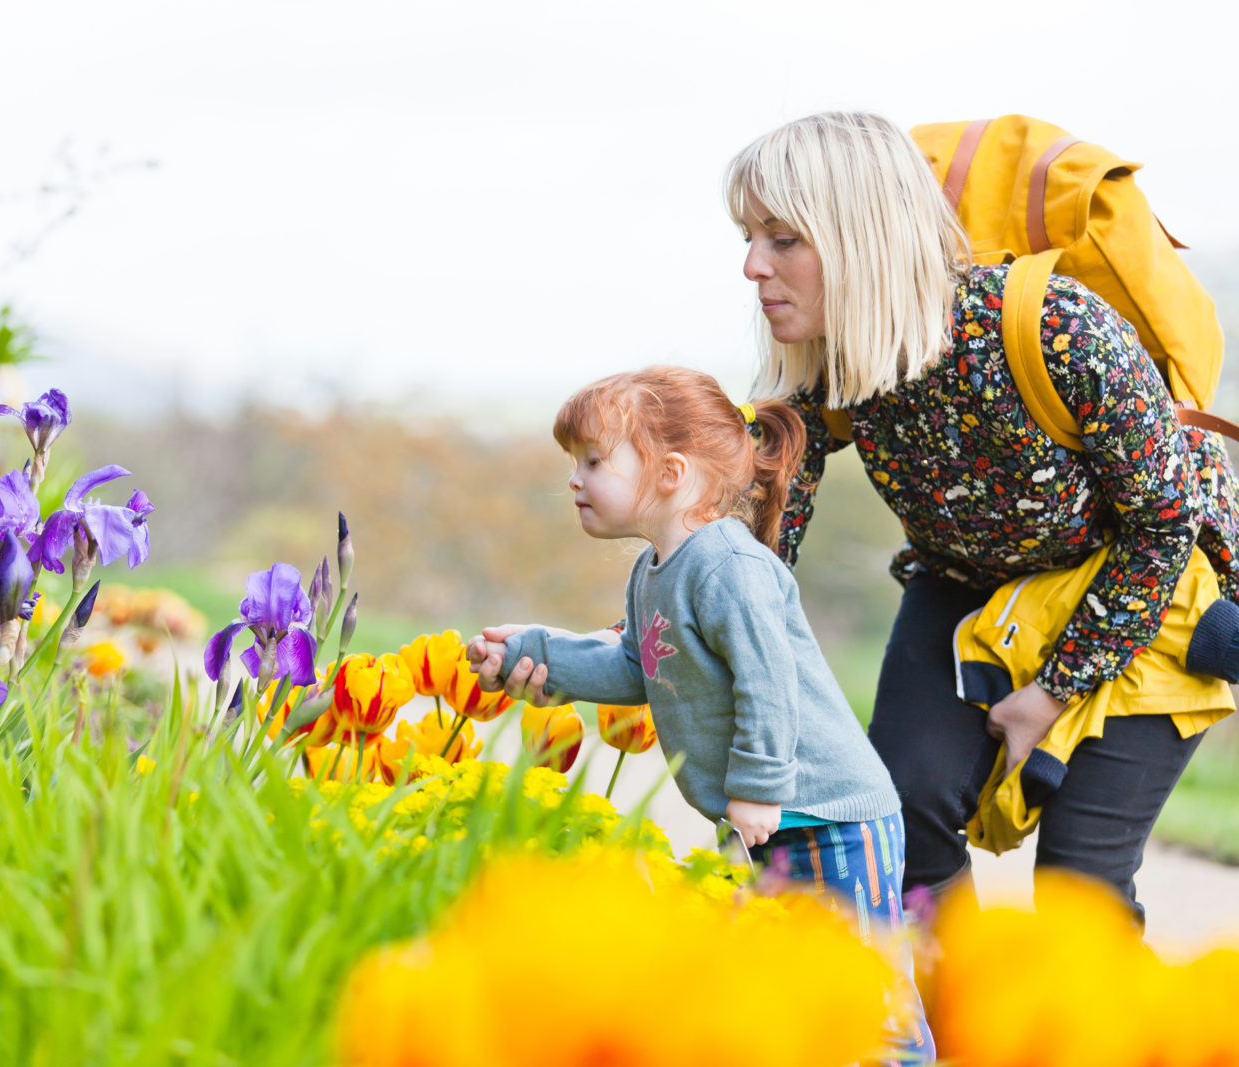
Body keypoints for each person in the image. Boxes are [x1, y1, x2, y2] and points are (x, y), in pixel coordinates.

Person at [476, 111, 1239, 923]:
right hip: (966, 584)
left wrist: (1053, 689)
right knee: (906, 815)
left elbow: (1166, 522)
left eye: (782, 239)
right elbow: (733, 565)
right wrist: (609, 652)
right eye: (749, 236)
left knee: (1080, 892)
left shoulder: (1056, 328)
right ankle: (950, 1038)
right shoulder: (829, 372)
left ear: (860, 239)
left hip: (1140, 596)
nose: (750, 266)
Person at [468, 365, 934, 1064]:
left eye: (594, 460)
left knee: (867, 998)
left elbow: (768, 682)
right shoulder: (655, 570)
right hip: (766, 816)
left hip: (828, 814)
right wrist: (537, 653)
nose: (576, 478)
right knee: (786, 989)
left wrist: (757, 786)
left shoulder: (727, 567)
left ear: (671, 472)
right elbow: (636, 667)